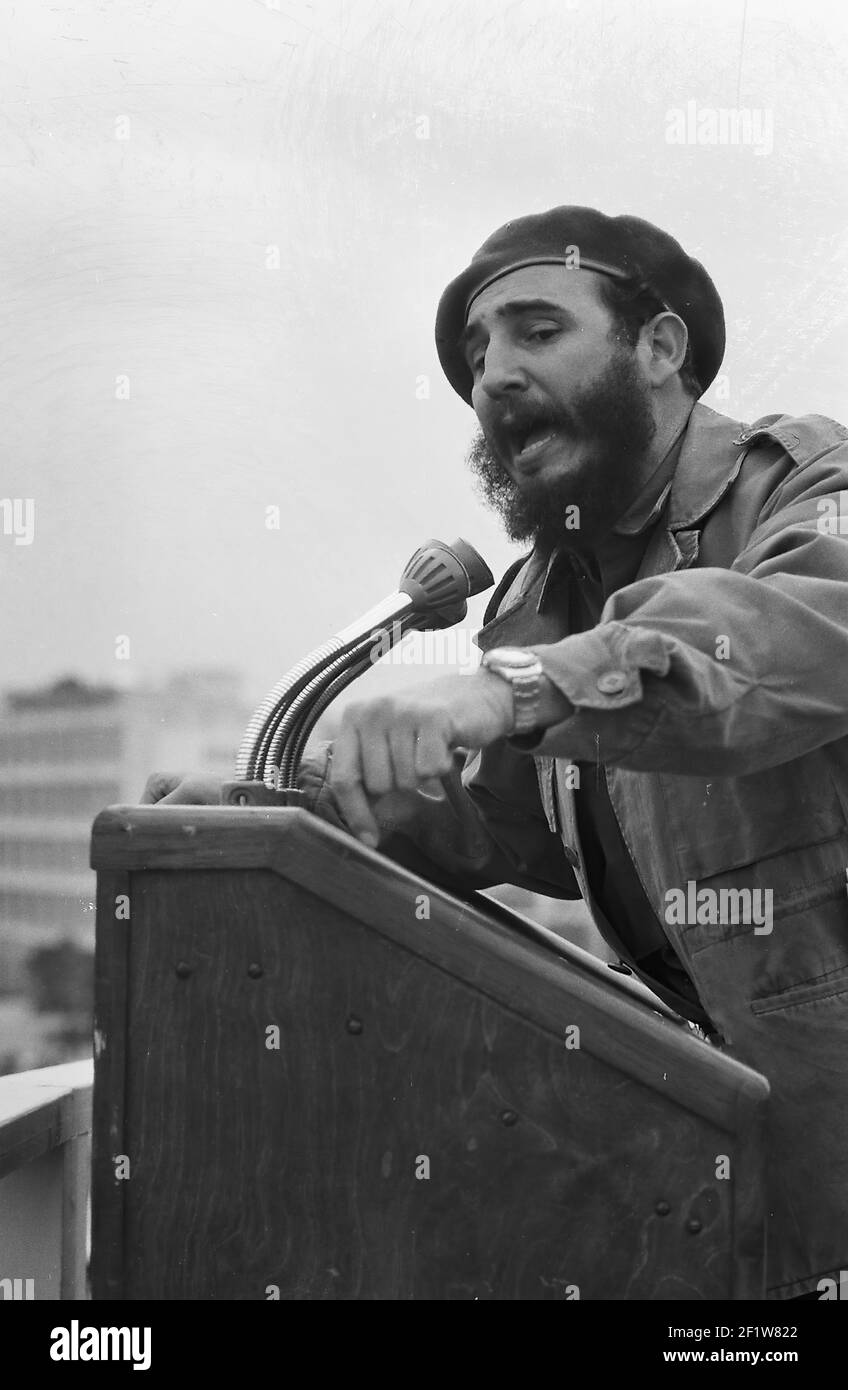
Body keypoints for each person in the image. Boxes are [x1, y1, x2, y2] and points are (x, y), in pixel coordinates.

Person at [144, 205, 848, 1302]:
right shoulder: (533, 603)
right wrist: (283, 810)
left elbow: (783, 642)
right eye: (477, 357)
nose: (493, 378)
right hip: (728, 1157)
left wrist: (511, 688)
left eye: (533, 332)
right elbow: (508, 823)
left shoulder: (800, 487)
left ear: (658, 350)